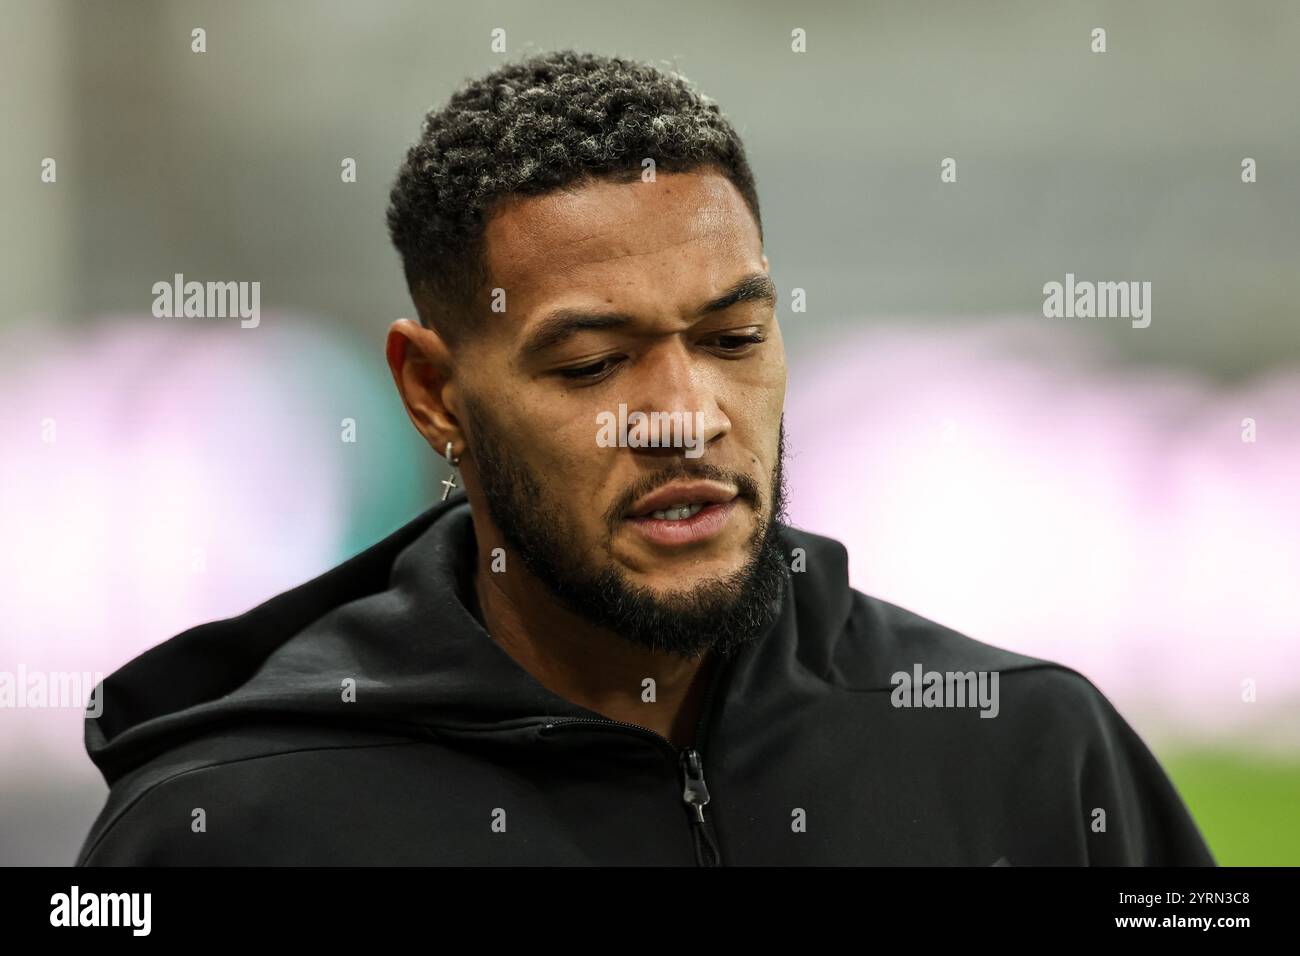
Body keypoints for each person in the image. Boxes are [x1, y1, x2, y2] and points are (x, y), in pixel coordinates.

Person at [76, 50, 1213, 866]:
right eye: (589, 364)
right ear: (435, 392)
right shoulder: (228, 822)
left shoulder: (1027, 751)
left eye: (733, 340)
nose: (684, 414)